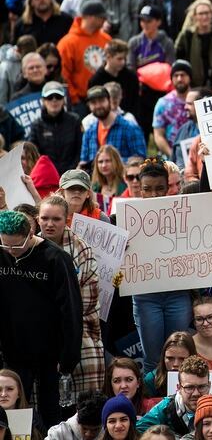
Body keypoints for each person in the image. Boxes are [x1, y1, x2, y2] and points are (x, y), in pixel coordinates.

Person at [0, 209, 82, 427]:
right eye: (5, 245)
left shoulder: (56, 258)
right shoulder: (2, 253)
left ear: (30, 234)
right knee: (13, 409)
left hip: (50, 351)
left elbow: (71, 310)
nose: (11, 251)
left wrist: (68, 356)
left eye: (16, 246)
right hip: (12, 349)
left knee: (50, 408)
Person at [38, 195, 104, 400]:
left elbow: (88, 300)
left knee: (89, 363)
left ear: (66, 220)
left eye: (56, 219)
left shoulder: (81, 249)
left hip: (79, 326)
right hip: (40, 328)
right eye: (45, 218)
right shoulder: (29, 247)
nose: (49, 224)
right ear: (37, 219)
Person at [136, 355, 211, 433]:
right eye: (189, 387)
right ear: (179, 388)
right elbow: (138, 430)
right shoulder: (166, 407)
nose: (196, 393)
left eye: (201, 387)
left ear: (209, 386)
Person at [57, 2, 113, 104]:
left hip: (106, 98)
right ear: (91, 17)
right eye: (102, 17)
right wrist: (74, 98)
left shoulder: (106, 39)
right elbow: (63, 74)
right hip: (81, 100)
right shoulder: (67, 43)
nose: (105, 20)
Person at [28, 81, 82, 174]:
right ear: (43, 101)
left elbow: (80, 149)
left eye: (58, 97)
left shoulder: (74, 121)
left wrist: (73, 171)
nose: (54, 100)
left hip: (72, 174)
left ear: (63, 100)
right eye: (49, 97)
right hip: (46, 175)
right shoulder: (36, 125)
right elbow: (33, 154)